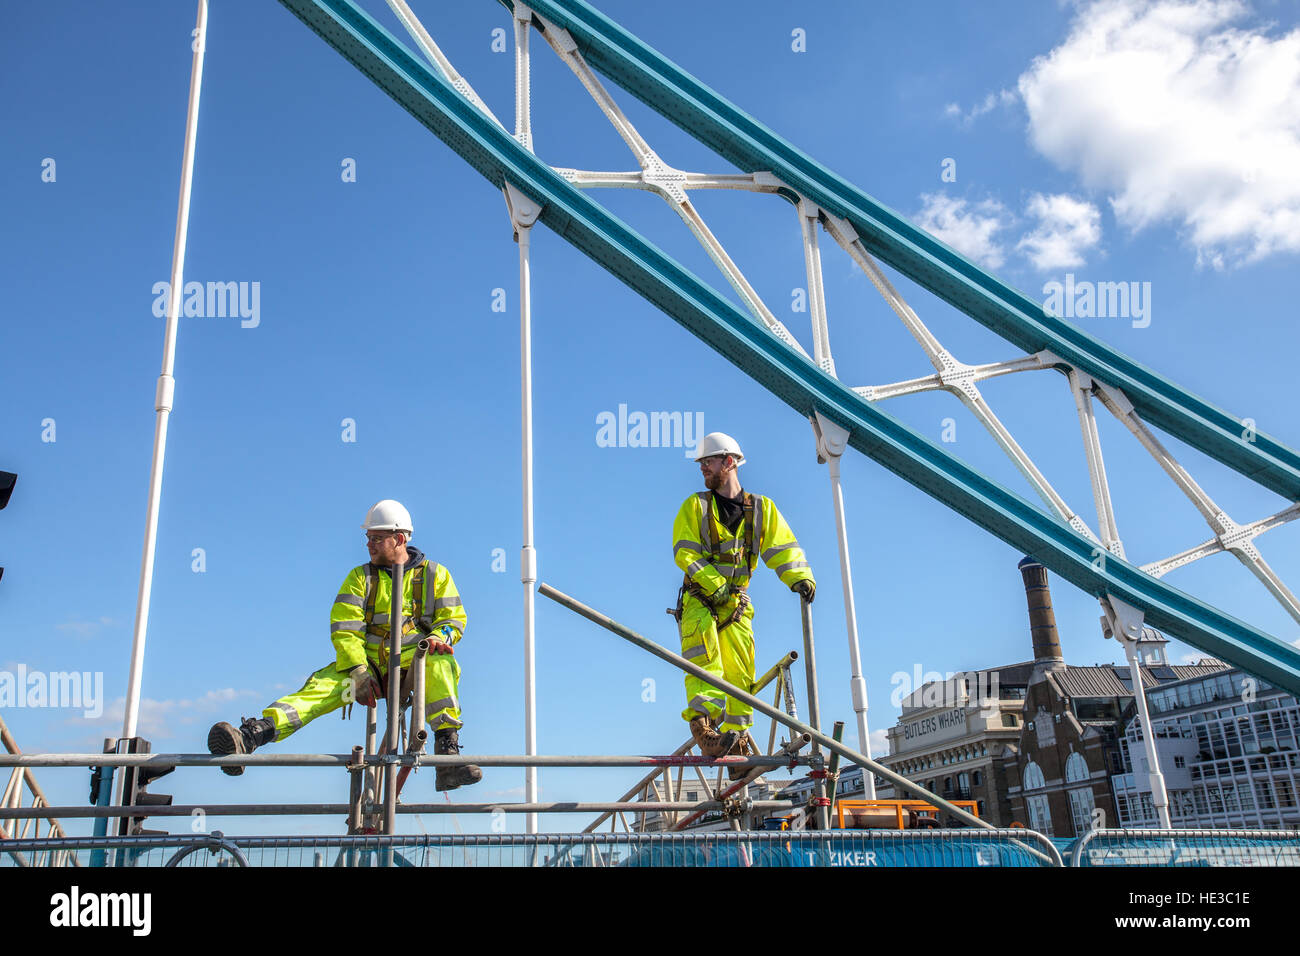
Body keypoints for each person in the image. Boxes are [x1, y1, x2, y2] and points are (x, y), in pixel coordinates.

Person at [206, 500, 481, 791]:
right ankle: (251, 736)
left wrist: (440, 638)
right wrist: (358, 671)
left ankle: (448, 756)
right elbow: (345, 629)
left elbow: (452, 618)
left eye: (376, 538)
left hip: (416, 660)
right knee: (322, 686)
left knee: (440, 662)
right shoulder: (359, 578)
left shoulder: (435, 575)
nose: (369, 544)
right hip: (368, 666)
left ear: (399, 539)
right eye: (368, 538)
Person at [671, 432, 815, 769]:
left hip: (735, 605)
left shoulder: (761, 510)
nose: (702, 468)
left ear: (729, 462)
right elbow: (685, 551)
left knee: (740, 673)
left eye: (708, 461)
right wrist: (715, 584)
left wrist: (800, 577)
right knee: (706, 665)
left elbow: (783, 547)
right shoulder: (696, 507)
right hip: (700, 601)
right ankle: (705, 731)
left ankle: (736, 742)